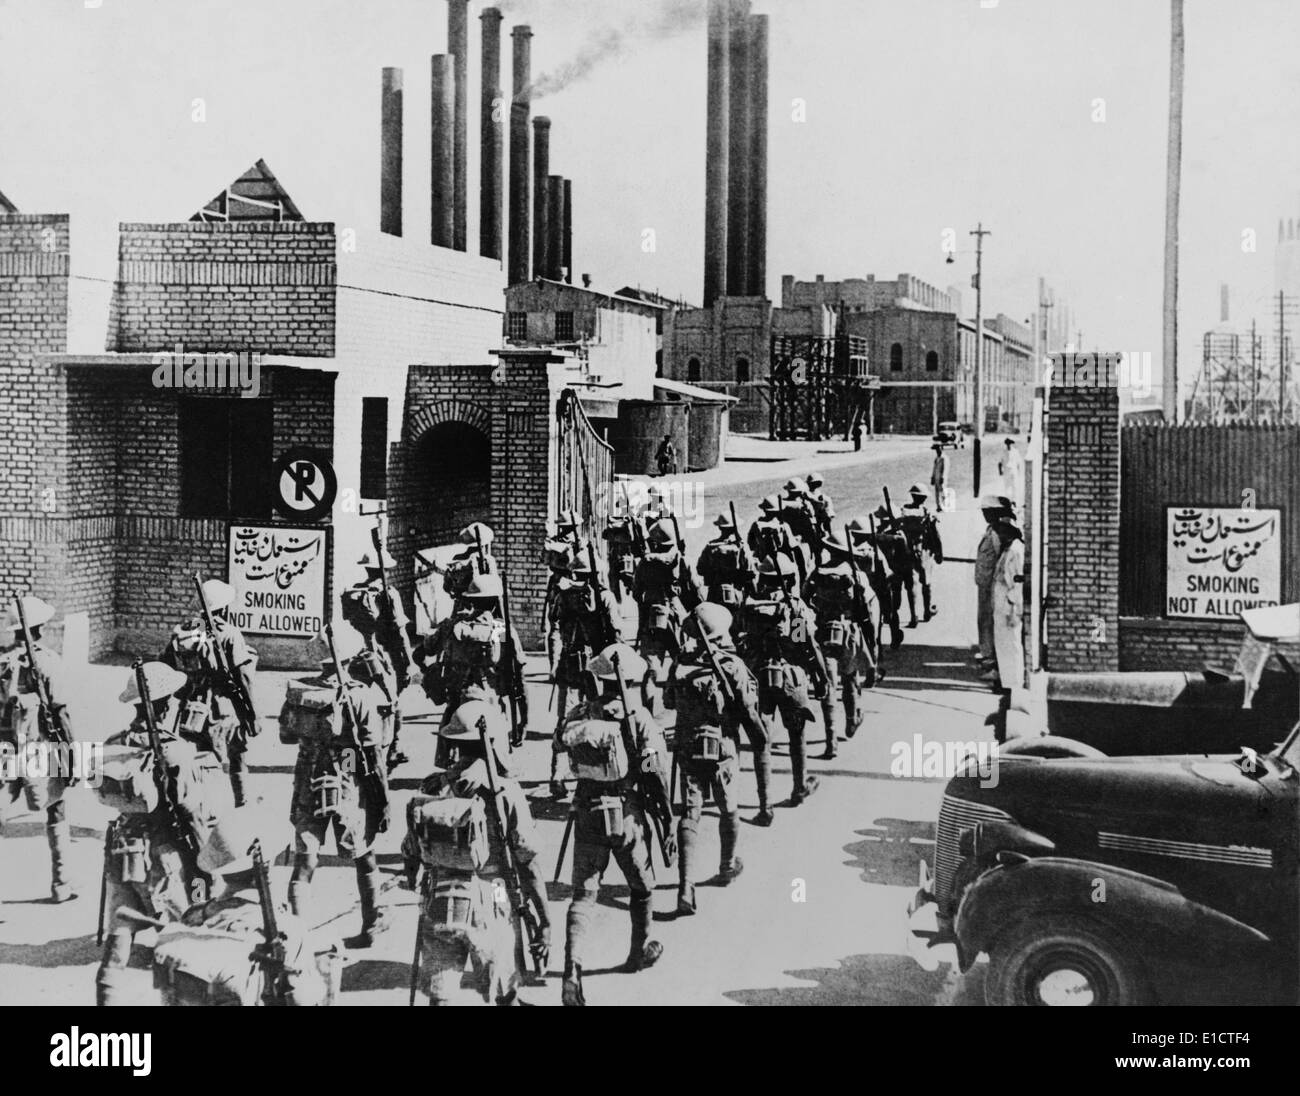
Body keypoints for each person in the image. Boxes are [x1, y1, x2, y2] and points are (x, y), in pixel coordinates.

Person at [95, 661, 233, 1005]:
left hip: (122, 848)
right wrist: (209, 864)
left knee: (119, 934)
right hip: (163, 855)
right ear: (167, 703)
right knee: (178, 941)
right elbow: (192, 814)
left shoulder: (114, 743)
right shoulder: (177, 751)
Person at [401, 700, 549, 1006]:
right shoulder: (504, 790)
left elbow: (411, 849)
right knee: (502, 980)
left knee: (441, 991)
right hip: (492, 890)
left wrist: (414, 879)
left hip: (439, 892)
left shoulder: (432, 786)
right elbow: (527, 860)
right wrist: (543, 918)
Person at [554, 643, 673, 1005]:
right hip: (626, 813)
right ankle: (639, 952)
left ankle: (571, 969)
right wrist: (664, 817)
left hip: (587, 811)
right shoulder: (639, 721)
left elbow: (560, 742)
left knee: (584, 895)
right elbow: (656, 774)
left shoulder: (581, 713)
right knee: (642, 886)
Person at [287, 643, 392, 950]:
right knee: (363, 852)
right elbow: (372, 754)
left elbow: (285, 734)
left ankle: (296, 938)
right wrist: (382, 801)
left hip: (308, 773)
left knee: (305, 859)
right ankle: (372, 924)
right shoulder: (359, 695)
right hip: (345, 766)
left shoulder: (301, 691)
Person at [666, 604, 765, 916]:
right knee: (728, 806)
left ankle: (685, 886)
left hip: (687, 744)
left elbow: (668, 700)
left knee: (691, 813)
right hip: (722, 745)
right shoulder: (731, 665)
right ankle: (726, 866)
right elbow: (748, 708)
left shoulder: (681, 664)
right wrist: (759, 737)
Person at [1, 596, 78, 902]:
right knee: (56, 810)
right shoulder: (46, 660)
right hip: (39, 748)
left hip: (6, 745)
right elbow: (61, 712)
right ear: (39, 629)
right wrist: (72, 756)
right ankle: (62, 885)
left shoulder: (4, 661)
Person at [736, 556, 826, 802]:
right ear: (789, 579)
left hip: (758, 676)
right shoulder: (794, 607)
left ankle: (764, 804)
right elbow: (805, 644)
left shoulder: (749, 604)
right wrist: (821, 676)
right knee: (796, 734)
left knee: (761, 741)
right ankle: (799, 787)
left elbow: (737, 639)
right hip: (790, 677)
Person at [162, 579, 258, 807]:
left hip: (192, 708)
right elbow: (243, 677)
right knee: (237, 754)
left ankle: (205, 805)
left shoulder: (186, 632)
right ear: (224, 608)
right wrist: (251, 715)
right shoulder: (229, 634)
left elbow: (165, 666)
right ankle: (241, 803)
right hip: (223, 706)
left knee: (201, 756)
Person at [546, 550, 620, 797]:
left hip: (569, 663)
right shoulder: (605, 598)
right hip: (599, 667)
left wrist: (555, 662)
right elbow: (616, 635)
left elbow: (553, 629)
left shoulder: (563, 595)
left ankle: (557, 775)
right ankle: (600, 770)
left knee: (565, 719)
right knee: (601, 718)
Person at [420, 573, 528, 740]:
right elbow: (519, 678)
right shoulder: (501, 630)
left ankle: (446, 757)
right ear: (494, 603)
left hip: (457, 705)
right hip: (492, 703)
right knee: (500, 754)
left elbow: (420, 653)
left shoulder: (450, 626)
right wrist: (524, 721)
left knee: (447, 743)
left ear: (470, 600)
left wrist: (430, 672)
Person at [341, 544, 416, 771]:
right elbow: (400, 631)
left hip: (357, 655)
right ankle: (391, 751)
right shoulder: (389, 594)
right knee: (392, 703)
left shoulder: (353, 593)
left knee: (352, 708)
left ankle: (348, 766)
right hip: (383, 657)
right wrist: (409, 662)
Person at [806, 536, 879, 757]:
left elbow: (802, 606)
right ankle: (851, 721)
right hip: (849, 631)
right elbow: (868, 614)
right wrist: (872, 644)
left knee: (828, 684)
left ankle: (831, 741)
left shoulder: (817, 572)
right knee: (850, 678)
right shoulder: (857, 576)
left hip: (822, 631)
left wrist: (801, 640)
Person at [974, 497, 1011, 670]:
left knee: (989, 619)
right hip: (984, 582)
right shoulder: (991, 530)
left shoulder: (997, 532)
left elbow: (999, 560)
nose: (984, 514)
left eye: (987, 511)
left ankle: (990, 656)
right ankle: (986, 651)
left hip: (991, 584)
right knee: (983, 618)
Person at [990, 516, 1026, 692]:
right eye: (999, 530)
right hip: (1001, 602)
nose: (1001, 533)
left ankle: (1013, 684)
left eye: (1004, 530)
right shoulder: (1007, 549)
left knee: (1011, 644)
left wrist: (1014, 606)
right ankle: (1006, 681)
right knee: (1003, 644)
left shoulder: (1017, 550)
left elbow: (1019, 581)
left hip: (1010, 604)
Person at [898, 485, 942, 624]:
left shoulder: (903, 510)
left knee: (911, 583)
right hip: (923, 550)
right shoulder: (927, 512)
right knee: (926, 582)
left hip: (906, 549)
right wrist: (940, 552)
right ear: (924, 497)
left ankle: (913, 616)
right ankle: (927, 611)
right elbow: (935, 534)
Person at [696, 512, 755, 607]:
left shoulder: (710, 546)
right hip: (736, 591)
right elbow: (750, 571)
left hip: (715, 592)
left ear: (720, 527)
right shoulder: (741, 546)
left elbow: (700, 569)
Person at [999, 438, 1025, 508]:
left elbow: (1019, 462)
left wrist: (1019, 471)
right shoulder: (1003, 452)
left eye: (1009, 444)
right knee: (1007, 487)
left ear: (1011, 444)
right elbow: (1000, 462)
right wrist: (1000, 471)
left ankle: (1014, 501)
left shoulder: (1015, 451)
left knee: (1015, 486)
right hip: (1006, 471)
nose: (1008, 445)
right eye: (1007, 444)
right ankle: (1008, 501)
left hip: (1014, 471)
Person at [930, 443, 949, 508]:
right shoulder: (936, 458)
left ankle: (944, 505)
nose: (938, 451)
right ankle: (938, 506)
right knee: (937, 492)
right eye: (937, 450)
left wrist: (942, 477)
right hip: (936, 477)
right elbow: (934, 468)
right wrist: (932, 477)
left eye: (939, 449)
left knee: (943, 492)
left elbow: (945, 468)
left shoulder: (944, 458)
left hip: (941, 477)